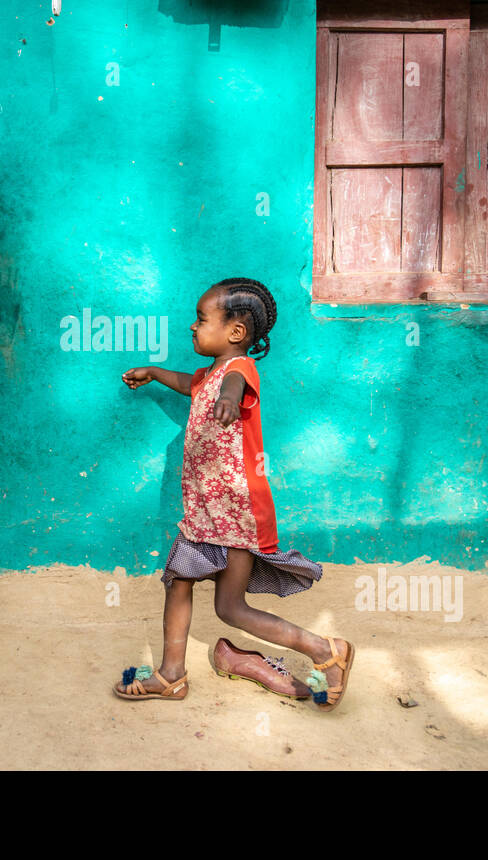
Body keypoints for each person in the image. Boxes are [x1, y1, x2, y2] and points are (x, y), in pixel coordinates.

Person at [114, 278, 354, 711]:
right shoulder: (208, 375)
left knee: (230, 608)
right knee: (179, 582)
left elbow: (233, 385)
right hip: (205, 512)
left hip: (237, 512)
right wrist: (154, 372)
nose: (193, 326)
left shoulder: (239, 370)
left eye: (202, 319)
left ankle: (324, 649)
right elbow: (194, 383)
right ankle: (171, 675)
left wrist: (228, 400)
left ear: (236, 333)